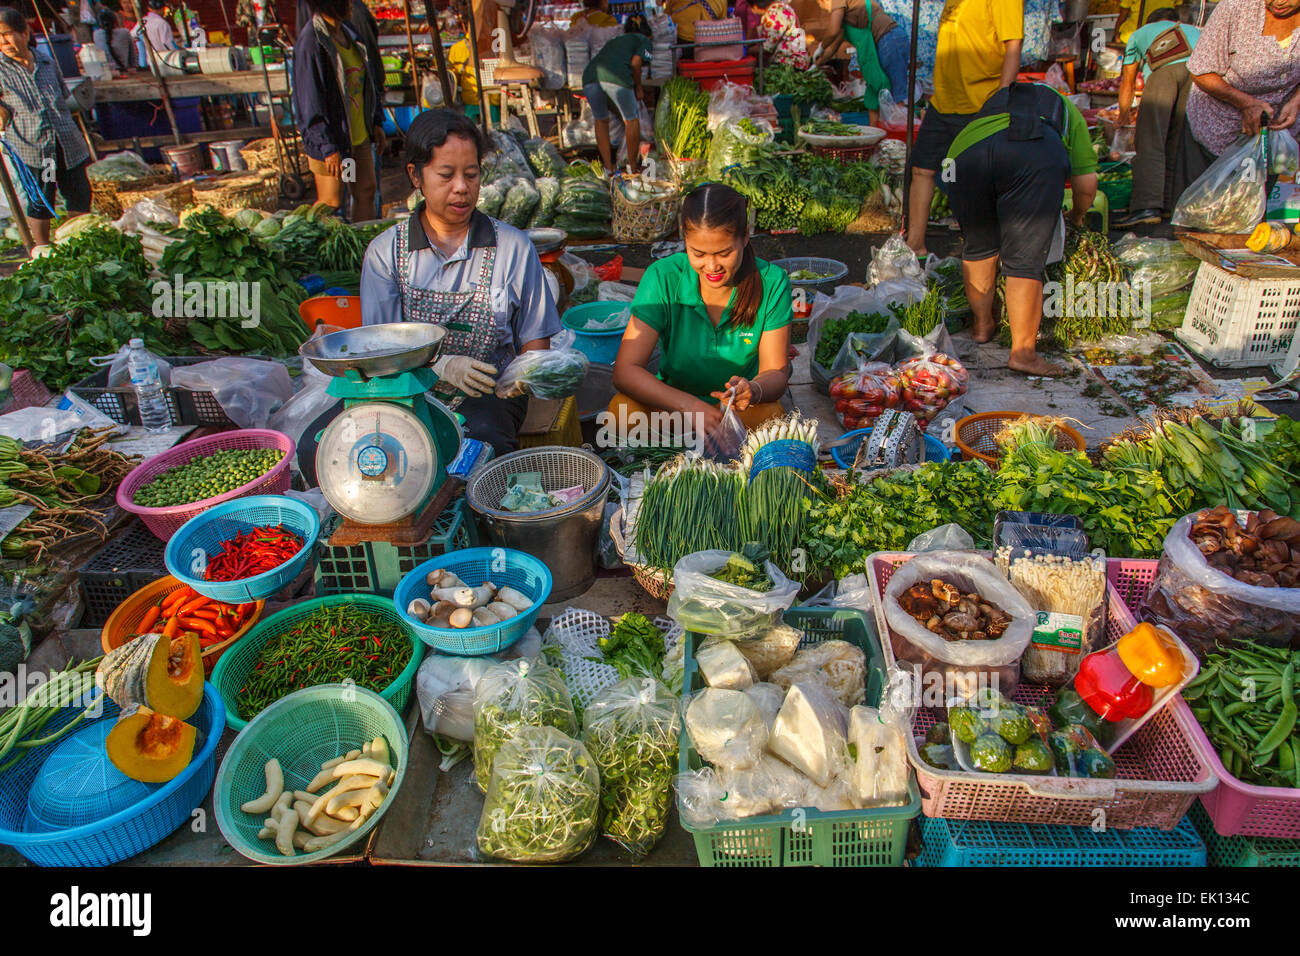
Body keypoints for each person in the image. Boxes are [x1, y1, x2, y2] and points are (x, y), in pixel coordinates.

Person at [358, 109, 560, 456]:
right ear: (415, 175)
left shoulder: (513, 247)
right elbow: (380, 351)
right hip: (407, 390)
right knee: (335, 447)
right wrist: (440, 366)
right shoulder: (386, 253)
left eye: (472, 174)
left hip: (489, 395)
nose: (462, 188)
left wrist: (520, 378)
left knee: (479, 448)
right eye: (446, 175)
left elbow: (535, 344)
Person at [608, 182, 792, 444]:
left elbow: (776, 373)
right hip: (674, 407)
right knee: (621, 411)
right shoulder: (663, 277)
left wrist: (753, 389)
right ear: (685, 238)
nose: (712, 266)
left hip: (733, 413)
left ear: (746, 237)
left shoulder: (772, 282)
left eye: (725, 252)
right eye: (699, 253)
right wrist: (689, 406)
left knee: (772, 414)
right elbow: (625, 371)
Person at [942, 82, 1098, 377]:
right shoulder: (1069, 111)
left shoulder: (993, 103)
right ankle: (1023, 354)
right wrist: (1077, 216)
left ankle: (982, 325)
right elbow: (1086, 186)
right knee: (1024, 261)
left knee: (979, 245)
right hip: (1033, 153)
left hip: (962, 154)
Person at [906, 0, 1023, 257]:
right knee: (922, 169)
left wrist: (1003, 96)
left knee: (974, 180)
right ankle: (915, 244)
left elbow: (1014, 45)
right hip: (944, 101)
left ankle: (980, 251)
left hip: (980, 101)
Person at [1180, 0, 1300, 190]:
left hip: (1272, 138)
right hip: (1217, 129)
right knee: (1206, 210)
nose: (1278, 1)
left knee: (1253, 210)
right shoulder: (1236, 7)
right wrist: (1245, 103)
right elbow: (1201, 71)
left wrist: (1296, 101)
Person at [0, 7, 91, 250]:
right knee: (41, 198)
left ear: (26, 32)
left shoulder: (46, 61)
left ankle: (81, 245)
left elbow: (62, 95)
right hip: (34, 148)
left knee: (79, 194)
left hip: (66, 142)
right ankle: (41, 250)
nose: (3, 42)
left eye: (7, 34)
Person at [294, 0, 385, 220]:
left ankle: (363, 248)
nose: (352, 5)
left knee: (364, 190)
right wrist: (327, 147)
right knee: (332, 201)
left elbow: (366, 83)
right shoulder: (312, 42)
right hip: (334, 142)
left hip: (356, 138)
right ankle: (313, 244)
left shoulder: (349, 33)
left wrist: (376, 121)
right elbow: (309, 99)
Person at [1113, 8, 1200, 226]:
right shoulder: (1195, 29)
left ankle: (1147, 207)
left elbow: (1128, 82)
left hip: (1165, 74)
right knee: (1179, 141)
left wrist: (1123, 115)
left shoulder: (1139, 33)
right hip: (1201, 78)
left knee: (1151, 140)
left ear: (1150, 22)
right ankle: (1172, 206)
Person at [583, 17, 652, 174]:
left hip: (589, 78)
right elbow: (636, 62)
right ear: (649, 35)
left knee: (601, 120)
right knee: (632, 120)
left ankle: (608, 169)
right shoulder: (644, 41)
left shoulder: (616, 40)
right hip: (615, 78)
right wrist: (639, 87)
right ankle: (632, 168)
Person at [814, 0, 912, 108]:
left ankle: (898, 122)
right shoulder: (848, 14)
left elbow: (833, 31)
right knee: (875, 93)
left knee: (894, 96)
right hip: (888, 40)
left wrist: (821, 47)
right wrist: (815, 65)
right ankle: (877, 124)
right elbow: (833, 47)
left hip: (889, 39)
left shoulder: (838, 2)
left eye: (821, 4)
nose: (826, 9)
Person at [752, 0, 811, 70]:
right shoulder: (782, 7)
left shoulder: (775, 11)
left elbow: (766, 47)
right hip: (795, 61)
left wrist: (744, 51)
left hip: (789, 63)